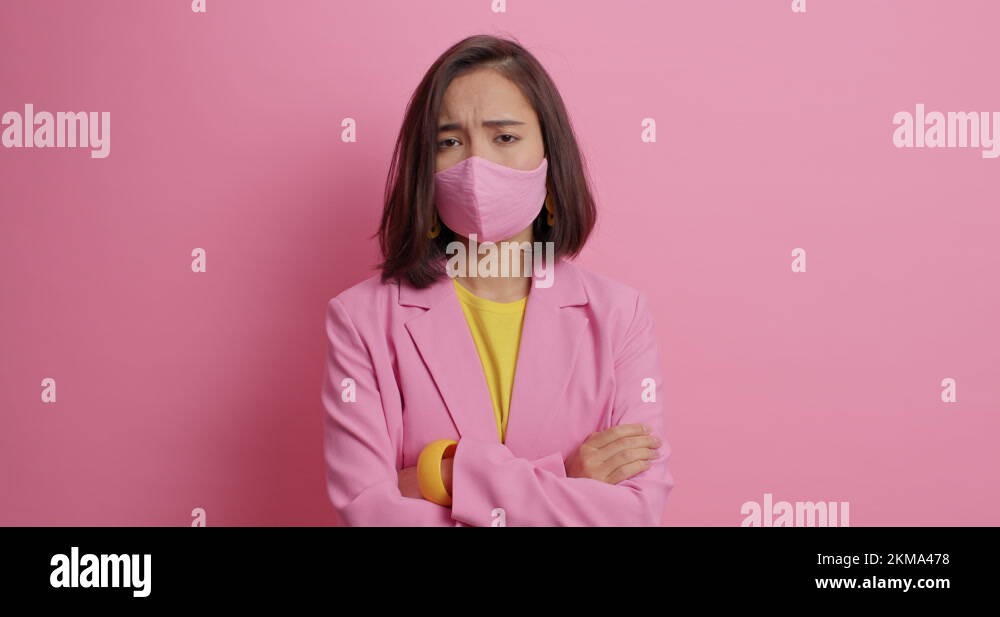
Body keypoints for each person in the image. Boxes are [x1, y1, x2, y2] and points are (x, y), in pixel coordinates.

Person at [321, 34, 674, 526]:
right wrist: (566, 478)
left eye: (504, 137)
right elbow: (371, 513)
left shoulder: (620, 316)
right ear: (425, 166)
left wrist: (436, 477)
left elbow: (634, 513)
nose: (474, 163)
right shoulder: (360, 319)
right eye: (449, 141)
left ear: (550, 158)